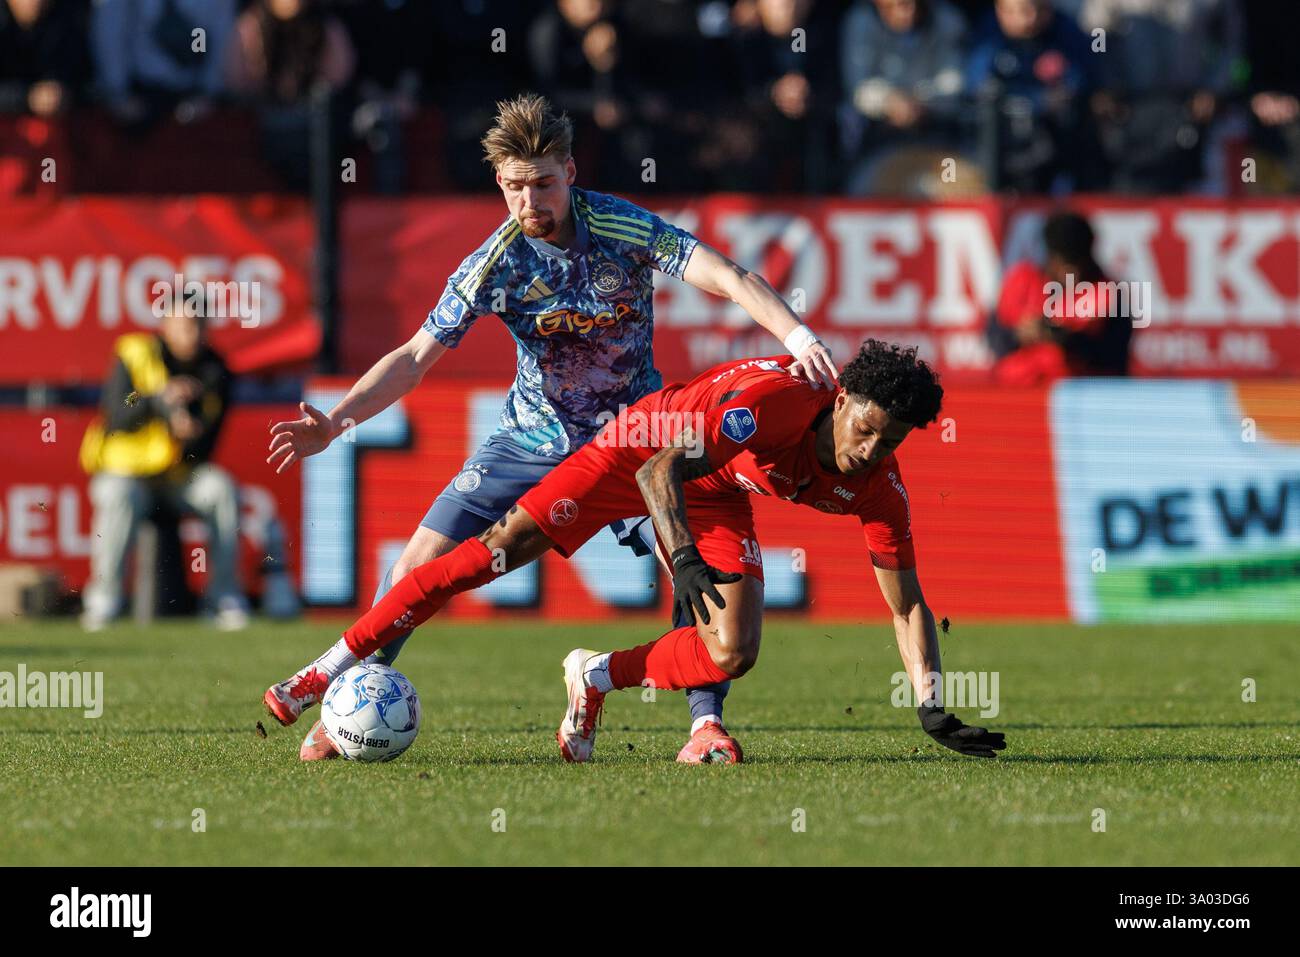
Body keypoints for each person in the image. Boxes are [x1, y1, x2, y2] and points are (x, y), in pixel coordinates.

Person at [266, 93, 838, 762]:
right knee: (416, 564)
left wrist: (796, 336)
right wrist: (338, 419)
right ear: (499, 184)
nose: (530, 200)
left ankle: (703, 725)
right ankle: (346, 704)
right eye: (515, 186)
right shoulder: (495, 262)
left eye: (543, 182)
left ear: (569, 172)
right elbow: (416, 357)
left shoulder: (622, 228)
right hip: (530, 440)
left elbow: (728, 276)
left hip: (635, 436)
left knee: (693, 571)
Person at [264, 340, 1007, 764]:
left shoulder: (879, 488)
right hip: (638, 448)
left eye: (889, 441)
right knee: (495, 550)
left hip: (711, 486)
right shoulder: (769, 406)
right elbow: (659, 471)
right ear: (841, 400)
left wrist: (931, 704)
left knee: (733, 649)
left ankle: (594, 674)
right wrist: (681, 556)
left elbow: (907, 602)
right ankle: (323, 670)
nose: (869, 450)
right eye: (865, 428)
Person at [79, 309, 248, 632]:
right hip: (127, 473)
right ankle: (104, 600)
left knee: (220, 488)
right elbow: (116, 417)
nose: (191, 333)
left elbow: (208, 447)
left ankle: (223, 598)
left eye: (198, 325)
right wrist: (159, 401)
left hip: (178, 478)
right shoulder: (135, 352)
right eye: (183, 325)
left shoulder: (215, 368)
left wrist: (190, 431)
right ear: (165, 325)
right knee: (118, 495)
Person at [987, 210, 1132, 384]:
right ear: (1051, 258)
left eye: (1080, 262)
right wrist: (1019, 334)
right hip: (1020, 395)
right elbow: (994, 339)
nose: (1075, 272)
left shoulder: (1108, 293)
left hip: (1081, 396)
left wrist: (1067, 340)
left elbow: (1115, 355)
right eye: (1067, 263)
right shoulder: (1022, 281)